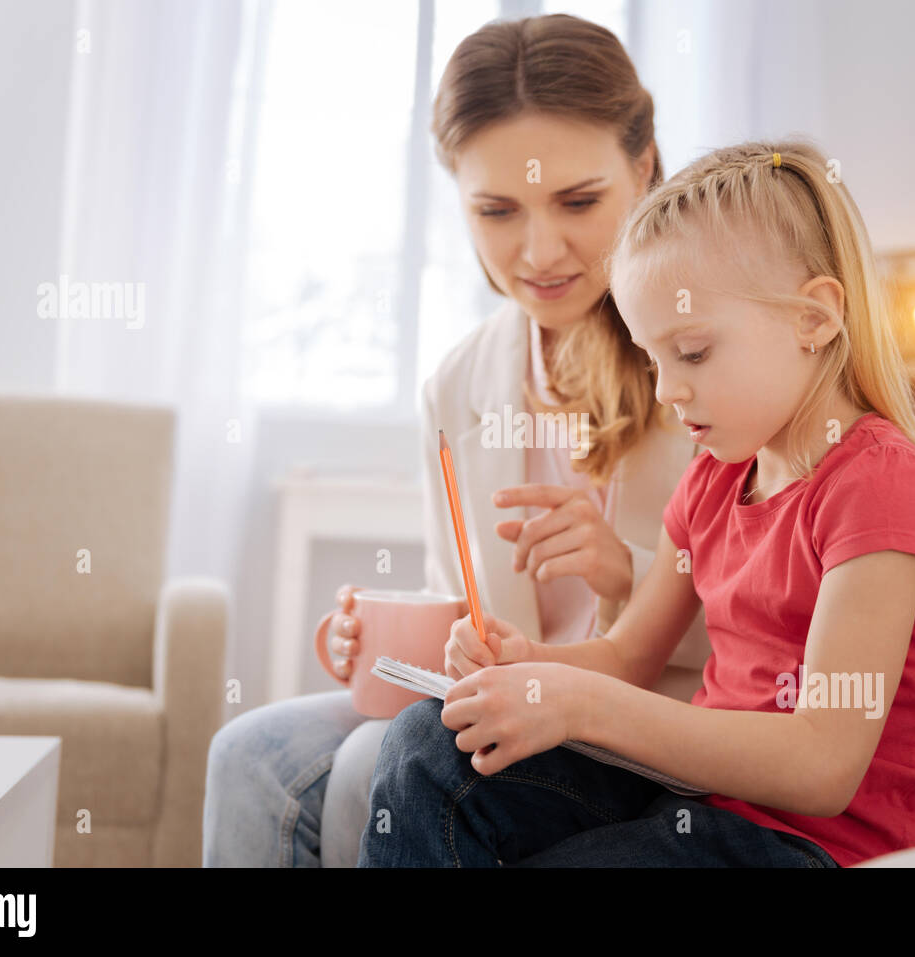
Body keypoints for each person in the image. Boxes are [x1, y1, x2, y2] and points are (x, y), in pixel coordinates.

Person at [357, 140, 915, 868]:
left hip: (813, 844)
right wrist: (531, 665)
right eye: (652, 359)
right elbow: (628, 655)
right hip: (694, 800)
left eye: (691, 352)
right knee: (427, 744)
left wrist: (581, 706)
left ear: (814, 318)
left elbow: (822, 765)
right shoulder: (716, 478)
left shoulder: (879, 485)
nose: (665, 391)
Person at [202, 14, 711, 867]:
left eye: (578, 202)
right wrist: (373, 642)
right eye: (497, 210)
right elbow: (466, 603)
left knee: (375, 759)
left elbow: (769, 623)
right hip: (507, 703)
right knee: (246, 755)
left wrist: (624, 567)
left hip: (648, 719)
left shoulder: (709, 350)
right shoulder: (459, 383)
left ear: (645, 166)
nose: (539, 250)